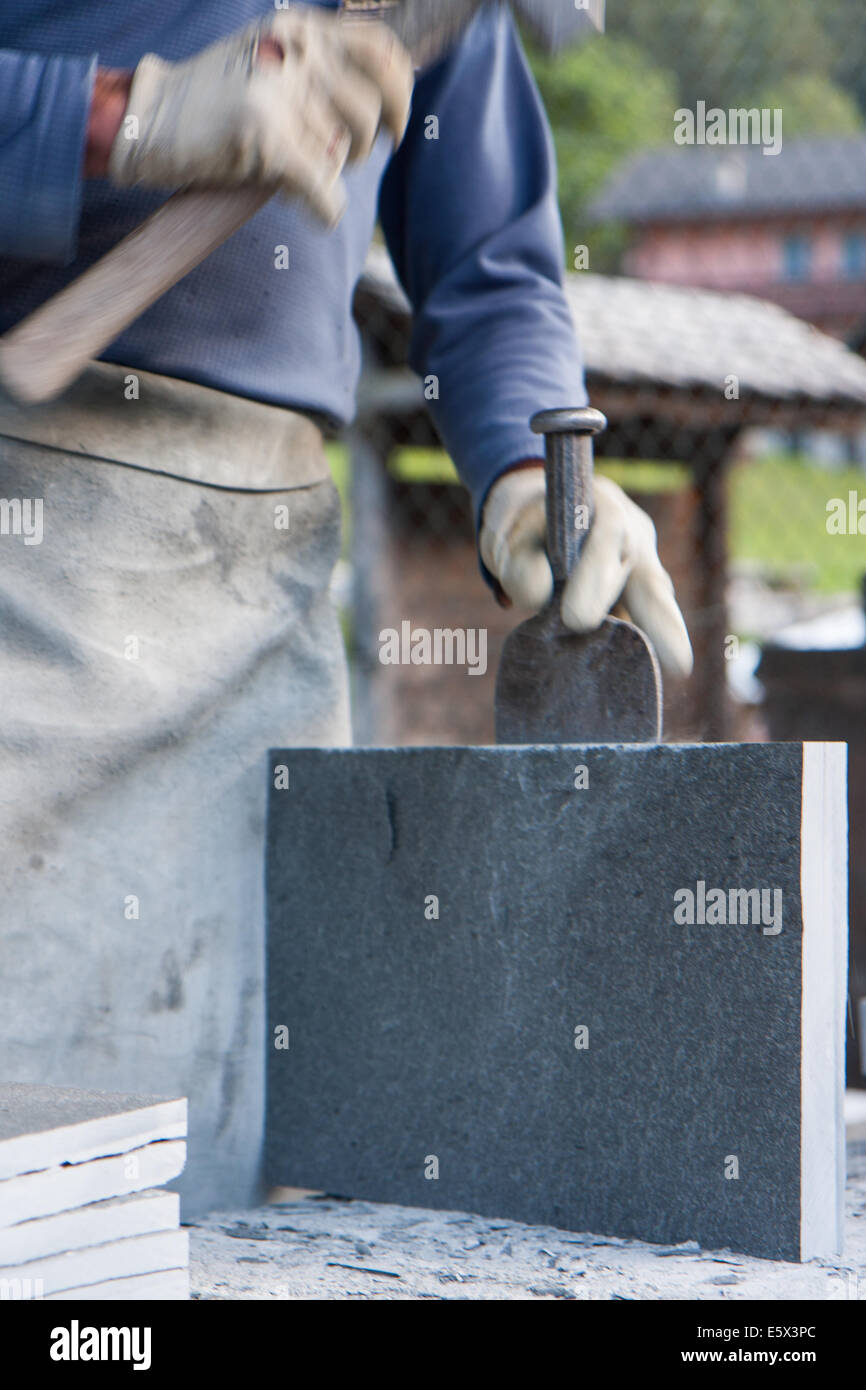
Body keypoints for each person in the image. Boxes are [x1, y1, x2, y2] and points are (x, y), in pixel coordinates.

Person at [0, 2, 692, 1213]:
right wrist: (116, 118)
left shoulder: (440, 11)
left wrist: (525, 474)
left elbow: (489, 264)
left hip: (251, 590)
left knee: (208, 1181)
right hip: (28, 526)